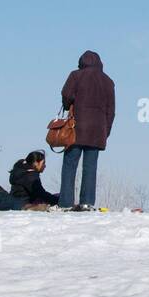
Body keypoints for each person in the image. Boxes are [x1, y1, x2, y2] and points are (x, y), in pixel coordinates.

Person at [59, 51, 116, 210]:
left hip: (75, 128)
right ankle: (87, 202)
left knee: (70, 165)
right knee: (90, 168)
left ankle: (65, 203)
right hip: (97, 131)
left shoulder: (75, 75)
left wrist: (67, 105)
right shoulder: (108, 81)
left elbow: (66, 94)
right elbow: (111, 110)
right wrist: (106, 131)